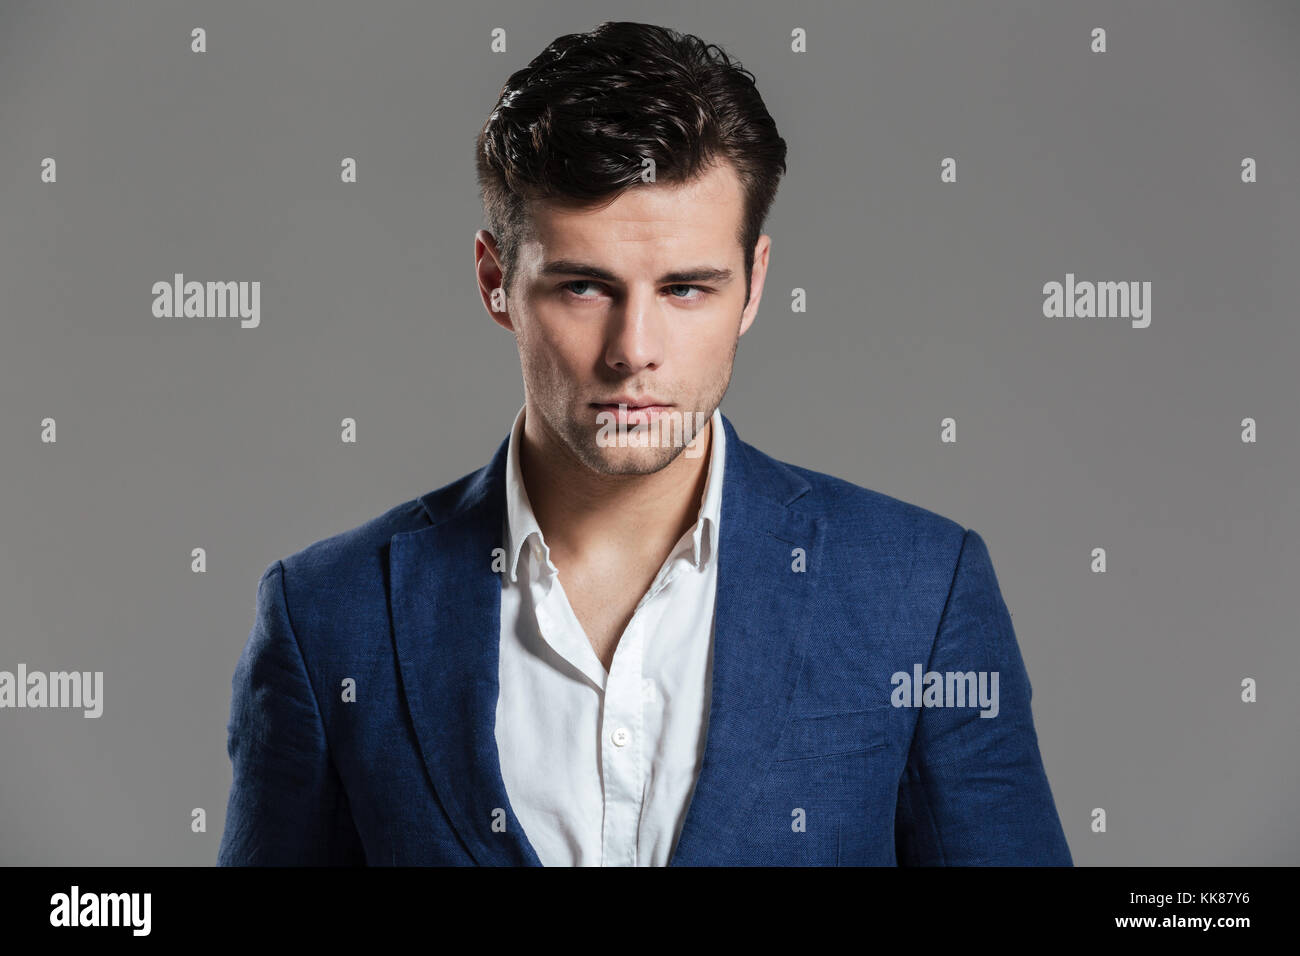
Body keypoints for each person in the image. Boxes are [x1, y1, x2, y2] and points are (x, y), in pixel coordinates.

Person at [217, 20, 1071, 866]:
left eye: (687, 288)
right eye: (585, 287)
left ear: (754, 286)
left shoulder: (920, 593)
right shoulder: (326, 615)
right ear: (495, 282)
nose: (634, 349)